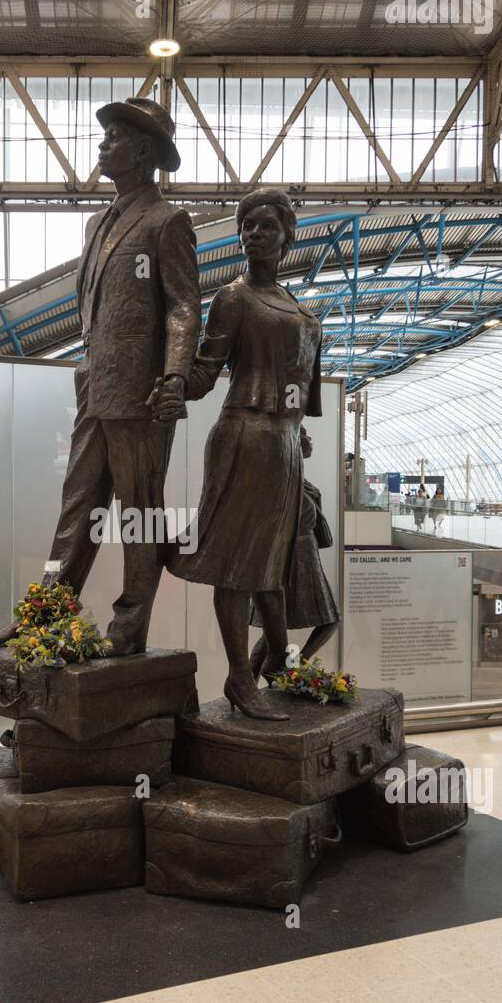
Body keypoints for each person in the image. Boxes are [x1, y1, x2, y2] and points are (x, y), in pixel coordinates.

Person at [0, 96, 200, 656]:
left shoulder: (168, 222)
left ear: (144, 151)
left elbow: (183, 307)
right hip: (96, 389)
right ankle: (45, 613)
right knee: (77, 507)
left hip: (144, 395)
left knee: (140, 515)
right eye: (104, 137)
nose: (102, 145)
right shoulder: (97, 223)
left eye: (115, 138)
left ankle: (130, 627)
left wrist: (174, 377)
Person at [155, 186, 322, 719]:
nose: (253, 233)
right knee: (233, 564)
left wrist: (296, 434)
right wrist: (173, 384)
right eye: (247, 226)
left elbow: (301, 397)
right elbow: (208, 371)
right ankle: (238, 678)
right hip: (243, 436)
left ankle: (273, 661)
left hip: (283, 448)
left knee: (269, 566)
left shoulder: (305, 314)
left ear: (286, 237)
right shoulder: (233, 297)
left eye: (265, 225)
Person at [248, 424, 339, 678]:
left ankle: (255, 676)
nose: (310, 439)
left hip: (305, 554)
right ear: (292, 443)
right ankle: (264, 674)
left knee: (276, 629)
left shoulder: (296, 476)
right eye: (304, 435)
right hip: (292, 557)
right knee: (283, 626)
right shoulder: (280, 478)